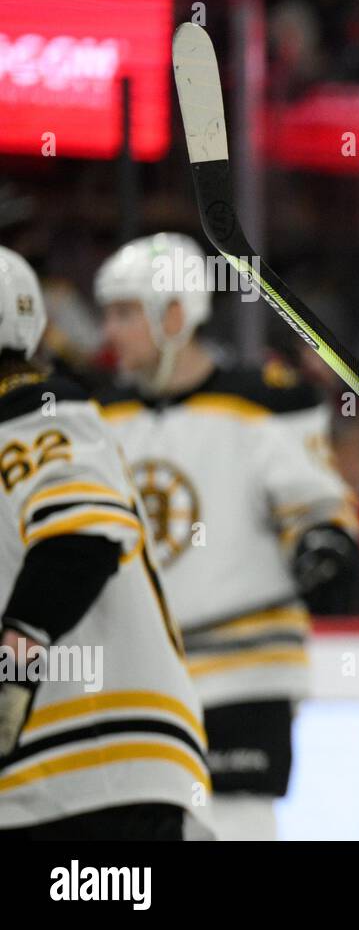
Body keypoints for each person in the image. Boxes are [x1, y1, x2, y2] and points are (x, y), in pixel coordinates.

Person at [94, 233, 359, 840]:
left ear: (176, 316)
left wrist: (325, 546)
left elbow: (319, 507)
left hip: (246, 672)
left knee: (235, 824)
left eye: (125, 313)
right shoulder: (99, 417)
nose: (110, 331)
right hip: (139, 677)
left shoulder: (262, 404)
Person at [0, 247, 212, 840]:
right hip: (51, 781)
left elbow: (79, 541)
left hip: (97, 767)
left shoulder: (35, 415)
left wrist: (11, 671)